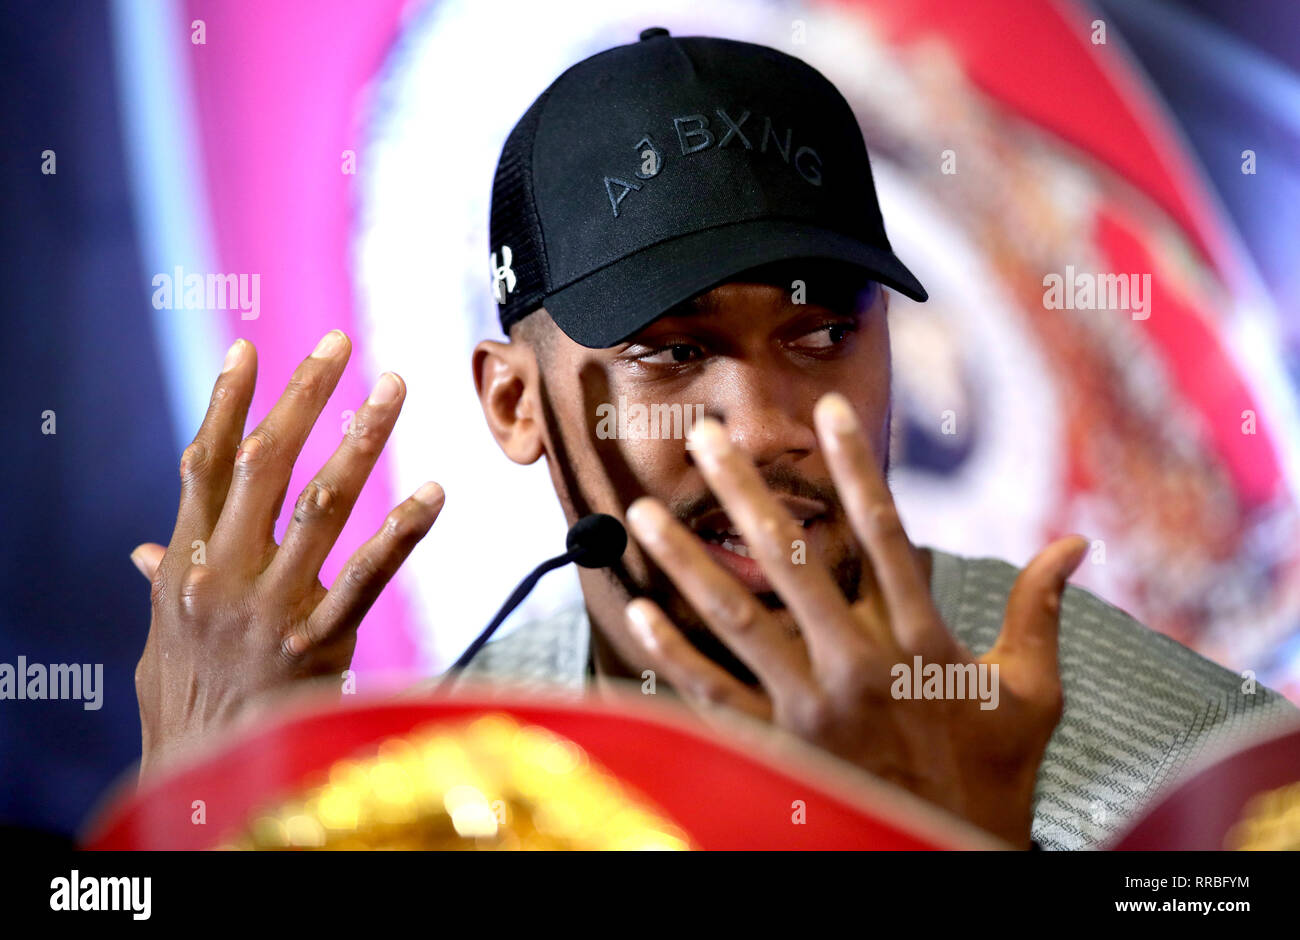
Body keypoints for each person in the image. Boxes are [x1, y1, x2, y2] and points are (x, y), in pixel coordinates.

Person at [131, 29, 1295, 850]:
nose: (767, 428)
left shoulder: (1190, 760)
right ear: (513, 404)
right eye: (671, 353)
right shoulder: (456, 762)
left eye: (819, 333)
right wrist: (196, 814)